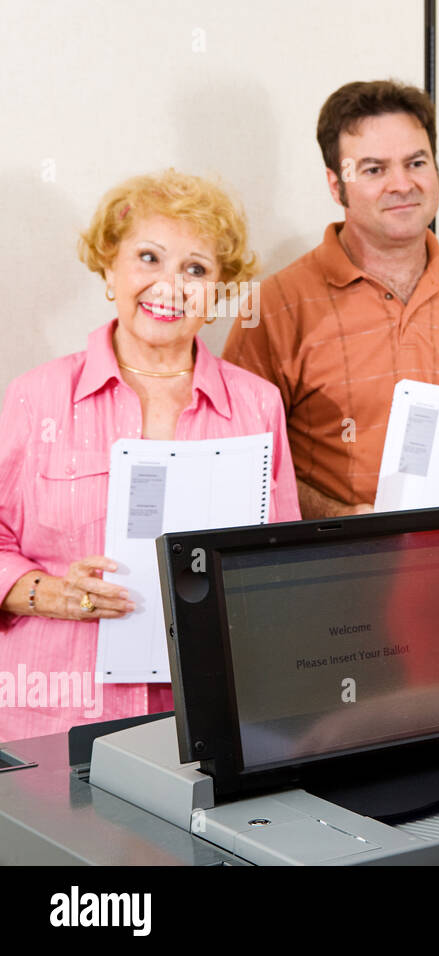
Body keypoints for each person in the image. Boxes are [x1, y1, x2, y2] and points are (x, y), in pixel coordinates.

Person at [0, 170, 301, 741]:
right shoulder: (34, 395)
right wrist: (50, 592)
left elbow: (278, 565)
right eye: (148, 257)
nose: (170, 286)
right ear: (109, 268)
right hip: (51, 713)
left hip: (202, 715)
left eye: (196, 269)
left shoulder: (257, 406)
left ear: (216, 291)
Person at [222, 81, 439, 540]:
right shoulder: (275, 305)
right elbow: (243, 458)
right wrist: (340, 520)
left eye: (416, 162)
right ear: (337, 185)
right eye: (374, 169)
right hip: (326, 574)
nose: (402, 184)